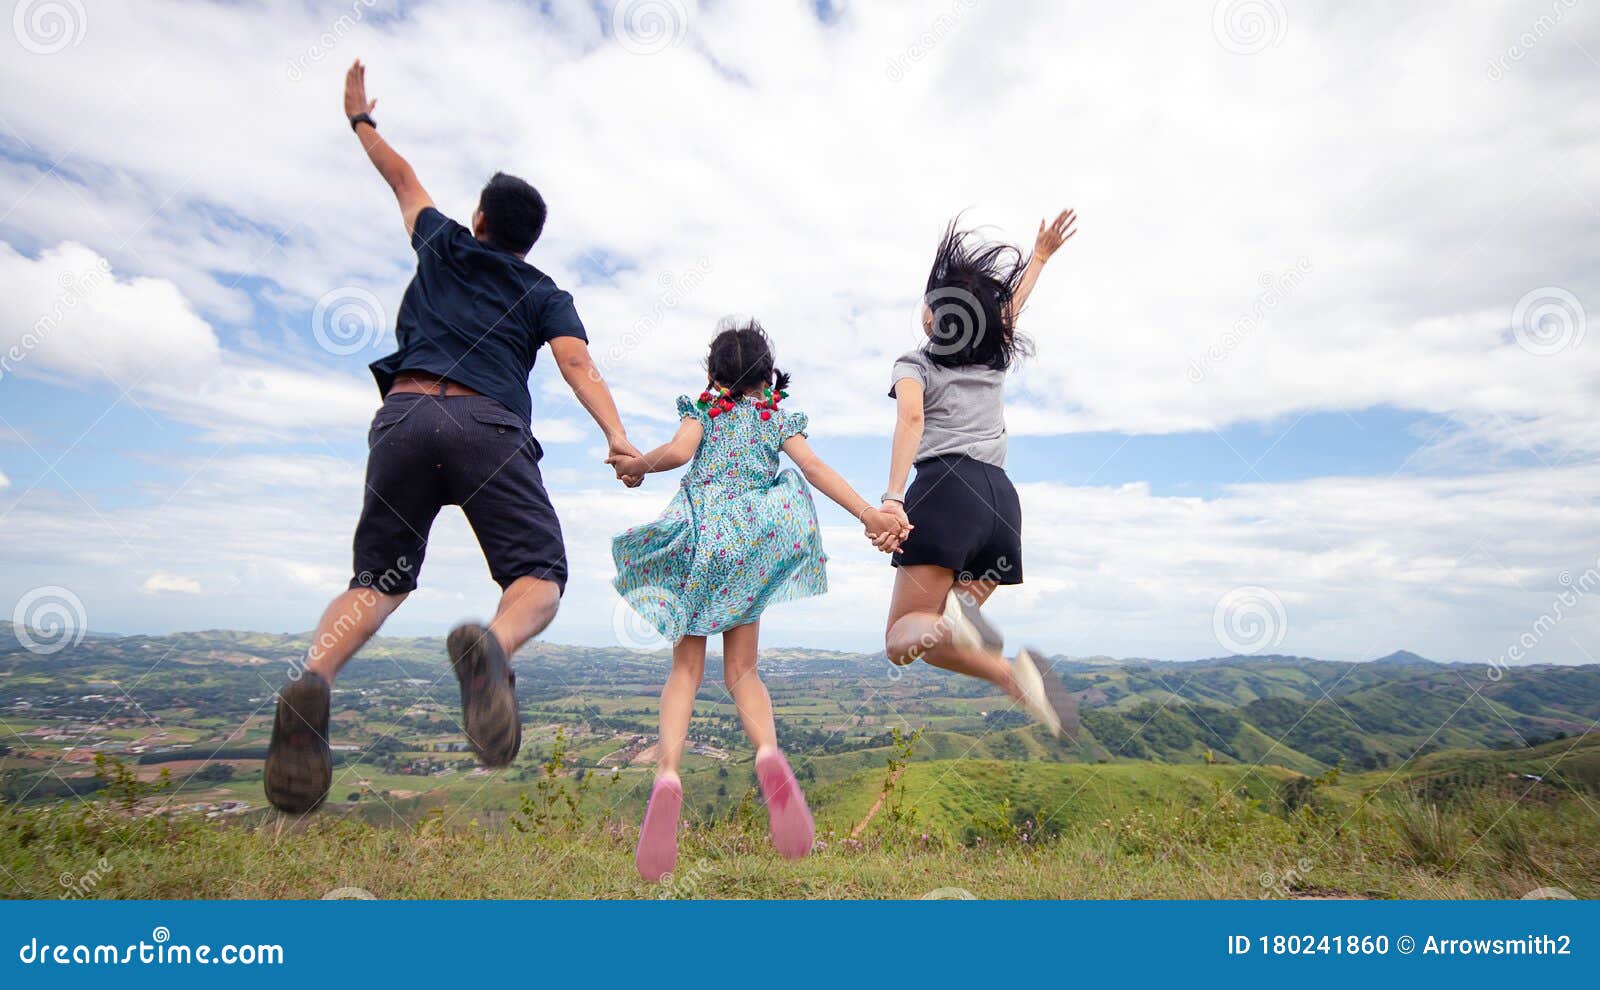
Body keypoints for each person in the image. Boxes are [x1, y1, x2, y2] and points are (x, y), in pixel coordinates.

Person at [263, 60, 642, 815]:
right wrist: (618, 439)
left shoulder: (440, 242)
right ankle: (494, 648)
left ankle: (315, 678)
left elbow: (401, 178)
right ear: (529, 242)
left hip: (402, 417)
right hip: (487, 426)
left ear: (478, 220)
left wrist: (360, 120)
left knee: (378, 580)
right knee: (538, 574)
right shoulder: (543, 292)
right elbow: (577, 362)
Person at [609, 319, 909, 881]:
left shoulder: (703, 409)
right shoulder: (774, 416)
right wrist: (870, 513)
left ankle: (668, 771)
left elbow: (677, 453)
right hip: (751, 545)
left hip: (703, 542)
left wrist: (635, 466)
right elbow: (814, 469)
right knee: (743, 671)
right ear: (768, 376)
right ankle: (767, 751)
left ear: (711, 374)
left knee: (686, 668)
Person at [877, 211, 1081, 736]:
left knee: (902, 637)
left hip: (947, 494)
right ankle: (1013, 678)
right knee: (936, 636)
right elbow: (1008, 313)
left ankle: (987, 647)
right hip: (1001, 507)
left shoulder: (913, 364)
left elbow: (912, 418)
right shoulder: (991, 362)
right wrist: (1039, 257)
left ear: (933, 315)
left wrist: (894, 497)